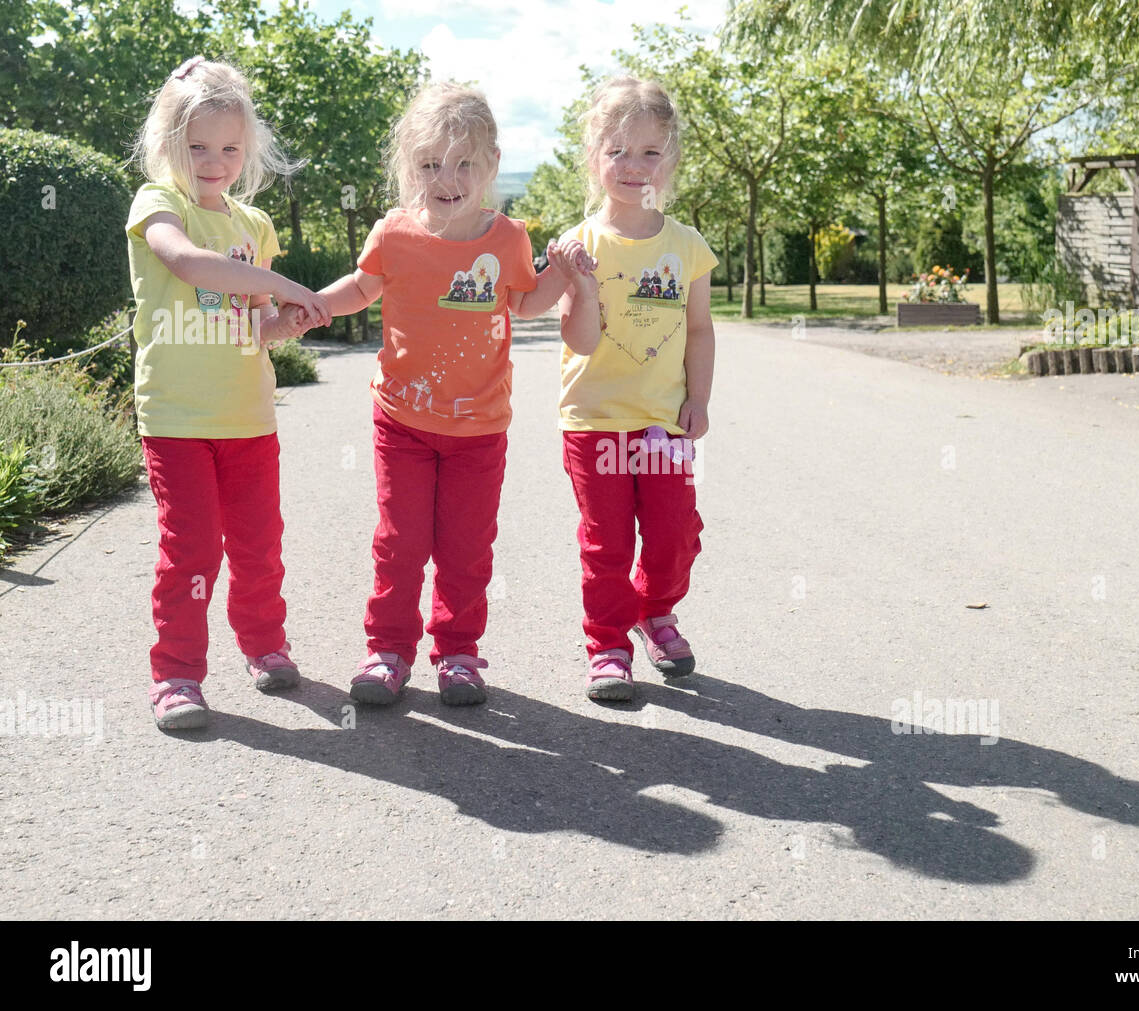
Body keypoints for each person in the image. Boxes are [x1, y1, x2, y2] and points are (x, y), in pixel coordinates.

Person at [316, 83, 591, 706]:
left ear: (491, 164)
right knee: (400, 541)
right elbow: (359, 290)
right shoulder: (395, 234)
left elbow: (525, 303)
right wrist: (308, 307)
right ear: (409, 167)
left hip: (479, 431)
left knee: (466, 549)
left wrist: (562, 275)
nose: (447, 177)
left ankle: (459, 652)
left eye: (464, 162)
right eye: (430, 163)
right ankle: (387, 649)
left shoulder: (507, 238)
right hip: (403, 423)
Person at [125, 56, 331, 730]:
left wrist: (287, 320)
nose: (214, 161)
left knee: (256, 542)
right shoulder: (160, 204)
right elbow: (183, 261)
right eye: (197, 146)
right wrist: (280, 287)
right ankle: (177, 674)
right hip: (178, 419)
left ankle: (265, 644)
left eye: (230, 148)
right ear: (167, 145)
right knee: (190, 549)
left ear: (249, 151)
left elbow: (257, 329)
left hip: (248, 419)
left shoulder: (255, 227)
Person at [555, 77, 717, 701]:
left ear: (671, 160)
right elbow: (582, 340)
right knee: (607, 541)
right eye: (618, 151)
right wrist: (584, 286)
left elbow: (699, 331)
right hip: (594, 420)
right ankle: (608, 646)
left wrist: (698, 399)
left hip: (663, 424)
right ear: (594, 159)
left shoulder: (686, 247)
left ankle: (656, 611)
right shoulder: (580, 245)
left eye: (650, 152)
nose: (633, 166)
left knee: (676, 533)